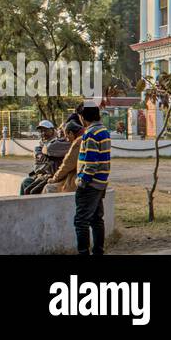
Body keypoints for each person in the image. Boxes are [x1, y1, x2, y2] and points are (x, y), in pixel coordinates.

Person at [74, 104, 111, 256]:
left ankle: (83, 252)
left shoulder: (90, 133)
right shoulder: (104, 131)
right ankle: (98, 251)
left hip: (90, 184)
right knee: (96, 220)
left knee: (81, 221)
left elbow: (91, 162)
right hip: (101, 183)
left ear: (83, 117)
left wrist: (82, 181)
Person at [20, 120, 57, 194]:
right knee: (25, 182)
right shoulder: (42, 143)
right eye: (41, 131)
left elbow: (47, 154)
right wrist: (38, 152)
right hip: (40, 174)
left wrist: (39, 152)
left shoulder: (56, 142)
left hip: (50, 175)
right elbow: (38, 154)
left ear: (52, 130)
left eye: (45, 130)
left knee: (30, 190)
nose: (43, 133)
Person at [49, 115, 85, 193]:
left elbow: (67, 164)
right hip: (90, 179)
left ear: (71, 133)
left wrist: (55, 178)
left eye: (67, 136)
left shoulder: (78, 141)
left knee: (48, 188)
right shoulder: (88, 135)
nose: (67, 140)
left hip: (79, 180)